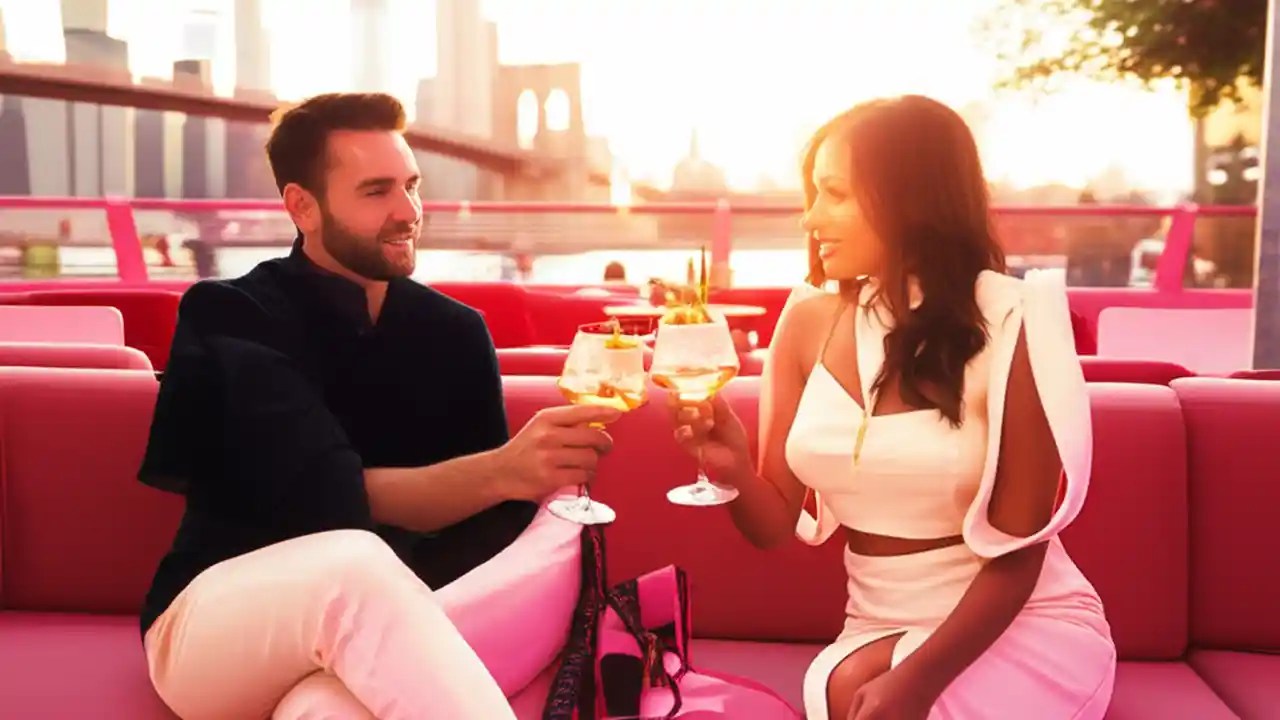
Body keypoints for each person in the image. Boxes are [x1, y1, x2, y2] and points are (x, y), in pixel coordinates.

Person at [137, 92, 619, 719]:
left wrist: (501, 487)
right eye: (376, 192)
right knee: (352, 560)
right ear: (301, 207)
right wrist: (504, 471)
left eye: (411, 185)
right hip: (214, 626)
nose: (407, 211)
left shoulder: (456, 333)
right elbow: (327, 502)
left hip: (389, 633)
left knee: (327, 711)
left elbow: (486, 529)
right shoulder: (231, 315)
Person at [668, 96, 1115, 720]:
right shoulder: (805, 323)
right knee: (848, 691)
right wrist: (735, 468)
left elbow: (1018, 552)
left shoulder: (1016, 318)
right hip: (875, 629)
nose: (810, 218)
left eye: (835, 193)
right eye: (813, 194)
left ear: (911, 198)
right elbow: (772, 529)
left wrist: (920, 681)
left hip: (1021, 625)